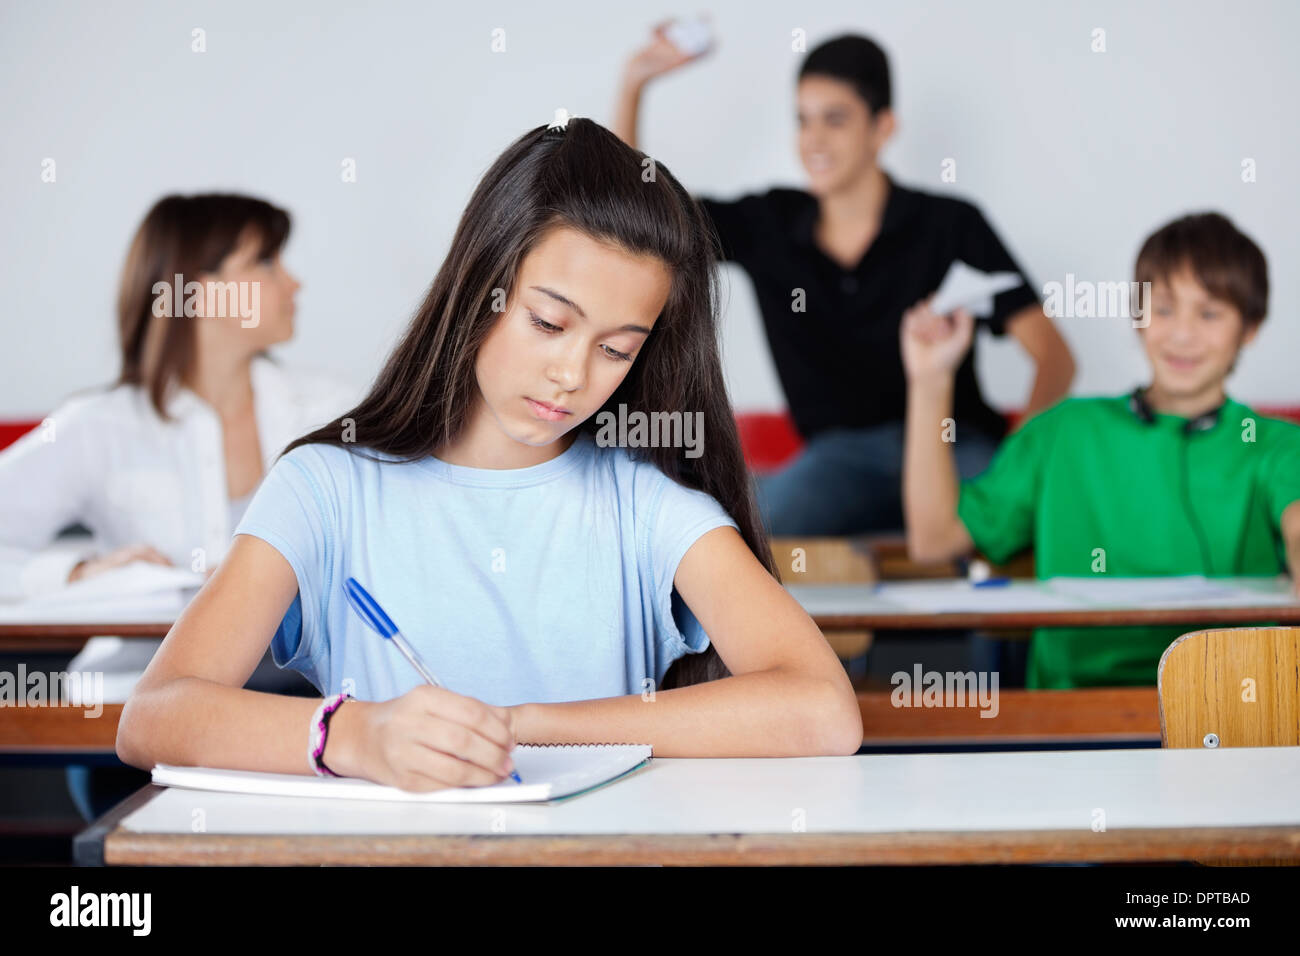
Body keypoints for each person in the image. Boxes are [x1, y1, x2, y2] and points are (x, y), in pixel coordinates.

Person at [115, 116, 864, 790]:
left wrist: (522, 725)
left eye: (615, 349)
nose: (572, 376)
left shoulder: (647, 503)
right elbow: (152, 716)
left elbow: (823, 710)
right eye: (547, 324)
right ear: (481, 286)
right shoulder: (325, 487)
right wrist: (356, 736)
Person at [614, 29, 1075, 534]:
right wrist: (635, 85)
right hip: (838, 463)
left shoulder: (951, 224)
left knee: (1013, 524)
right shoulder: (770, 223)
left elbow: (1053, 355)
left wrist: (1021, 463)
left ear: (882, 128)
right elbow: (643, 219)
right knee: (731, 531)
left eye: (835, 120)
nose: (813, 140)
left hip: (953, 447)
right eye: (803, 120)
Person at [0, 193, 360, 818]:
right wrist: (76, 575)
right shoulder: (99, 425)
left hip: (304, 709)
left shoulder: (334, 406)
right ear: (198, 290)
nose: (293, 280)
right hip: (140, 717)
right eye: (267, 261)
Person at [901, 211, 1300, 688]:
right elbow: (933, 540)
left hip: (1224, 713)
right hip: (1070, 719)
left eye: (1210, 313)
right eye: (1164, 308)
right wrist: (930, 380)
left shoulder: (1278, 445)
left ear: (1249, 328)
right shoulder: (1065, 430)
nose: (1182, 334)